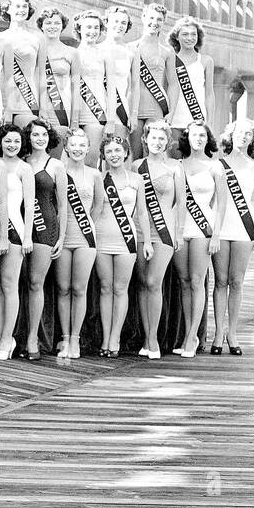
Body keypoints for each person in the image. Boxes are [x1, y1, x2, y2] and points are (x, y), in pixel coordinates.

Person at [211, 118, 254, 356]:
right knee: (220, 280)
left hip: (245, 227)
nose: (243, 137)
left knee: (237, 281)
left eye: (248, 134)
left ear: (253, 139)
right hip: (222, 226)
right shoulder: (218, 164)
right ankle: (217, 333)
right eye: (240, 133)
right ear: (231, 135)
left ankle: (233, 332)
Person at [135, 120, 185, 359]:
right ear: (145, 140)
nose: (157, 142)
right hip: (139, 231)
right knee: (143, 283)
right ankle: (145, 338)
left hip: (164, 232)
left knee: (155, 282)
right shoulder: (136, 166)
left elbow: (182, 204)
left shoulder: (175, 167)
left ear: (168, 142)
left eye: (161, 139)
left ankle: (153, 338)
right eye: (153, 138)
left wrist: (179, 231)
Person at [173, 121, 223, 357]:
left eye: (203, 135)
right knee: (184, 281)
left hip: (203, 228)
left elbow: (221, 205)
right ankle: (186, 335)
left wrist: (217, 235)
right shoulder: (178, 165)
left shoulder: (215, 167)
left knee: (197, 281)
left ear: (208, 139)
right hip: (180, 227)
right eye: (195, 135)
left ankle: (193, 337)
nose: (199, 139)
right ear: (187, 137)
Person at [93, 133, 144, 359]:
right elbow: (94, 210)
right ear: (103, 155)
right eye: (109, 151)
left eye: (117, 150)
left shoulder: (136, 179)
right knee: (105, 288)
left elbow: (142, 213)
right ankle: (105, 337)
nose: (114, 155)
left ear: (125, 153)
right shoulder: (98, 178)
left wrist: (149, 242)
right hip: (102, 238)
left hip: (127, 239)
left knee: (120, 289)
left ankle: (115, 338)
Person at [0, 122, 35, 361]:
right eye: (8, 140)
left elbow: (29, 207)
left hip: (14, 232)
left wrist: (27, 236)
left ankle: (9, 338)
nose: (12, 145)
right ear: (0, 141)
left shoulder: (24, 168)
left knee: (9, 285)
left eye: (17, 141)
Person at [20, 118, 66, 360]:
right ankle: (16, 336)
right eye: (35, 135)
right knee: (15, 284)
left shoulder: (56, 165)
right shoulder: (21, 161)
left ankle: (32, 339)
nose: (40, 138)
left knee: (36, 283)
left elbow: (63, 205)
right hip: (19, 226)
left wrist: (63, 235)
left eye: (44, 135)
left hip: (45, 227)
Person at [56, 128, 103, 360]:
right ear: (66, 147)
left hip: (86, 236)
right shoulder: (59, 170)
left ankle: (76, 338)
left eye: (81, 145)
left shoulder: (95, 174)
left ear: (88, 148)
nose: (77, 149)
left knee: (79, 288)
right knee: (64, 289)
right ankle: (65, 338)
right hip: (63, 236)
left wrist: (88, 225)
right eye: (72, 145)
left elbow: (98, 204)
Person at [129, 3, 175, 159]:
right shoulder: (130, 48)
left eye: (159, 19)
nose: (155, 22)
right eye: (151, 18)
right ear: (143, 18)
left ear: (163, 22)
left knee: (153, 153)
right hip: (134, 105)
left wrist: (171, 112)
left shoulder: (167, 52)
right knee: (135, 154)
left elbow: (174, 85)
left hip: (156, 105)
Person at [0, 0, 45, 128]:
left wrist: (42, 107)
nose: (21, 10)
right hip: (3, 97)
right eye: (17, 6)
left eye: (24, 6)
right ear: (8, 9)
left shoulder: (37, 38)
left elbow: (41, 74)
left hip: (27, 98)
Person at [38, 7, 76, 155]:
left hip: (60, 107)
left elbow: (75, 88)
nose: (52, 26)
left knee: (55, 157)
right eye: (48, 23)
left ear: (63, 26)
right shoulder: (35, 49)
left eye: (56, 23)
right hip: (35, 107)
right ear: (41, 25)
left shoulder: (72, 52)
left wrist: (75, 120)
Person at [74, 9, 110, 165]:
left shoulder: (105, 54)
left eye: (96, 27)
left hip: (96, 111)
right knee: (71, 157)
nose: (92, 31)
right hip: (73, 112)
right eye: (88, 27)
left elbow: (111, 88)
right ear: (79, 29)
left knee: (91, 158)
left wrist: (111, 119)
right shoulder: (72, 53)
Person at [169, 16, 215, 136]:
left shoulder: (206, 61)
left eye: (193, 34)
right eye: (185, 34)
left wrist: (210, 122)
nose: (189, 38)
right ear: (177, 37)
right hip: (174, 120)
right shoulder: (169, 60)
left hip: (197, 120)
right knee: (173, 155)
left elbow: (209, 94)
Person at [100, 5, 134, 147]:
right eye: (116, 21)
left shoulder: (130, 52)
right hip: (97, 107)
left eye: (123, 23)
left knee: (117, 154)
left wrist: (133, 114)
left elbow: (133, 87)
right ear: (107, 22)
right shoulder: (97, 49)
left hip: (121, 110)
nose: (119, 26)